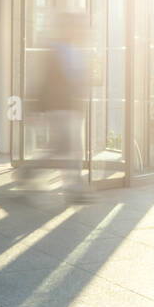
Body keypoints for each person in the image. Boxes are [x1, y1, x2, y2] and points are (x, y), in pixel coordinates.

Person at [32, 11, 89, 200]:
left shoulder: (77, 50)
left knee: (69, 148)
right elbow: (43, 81)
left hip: (73, 109)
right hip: (57, 108)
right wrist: (37, 108)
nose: (78, 30)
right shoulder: (54, 50)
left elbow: (80, 81)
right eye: (75, 26)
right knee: (64, 148)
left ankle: (72, 185)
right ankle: (73, 186)